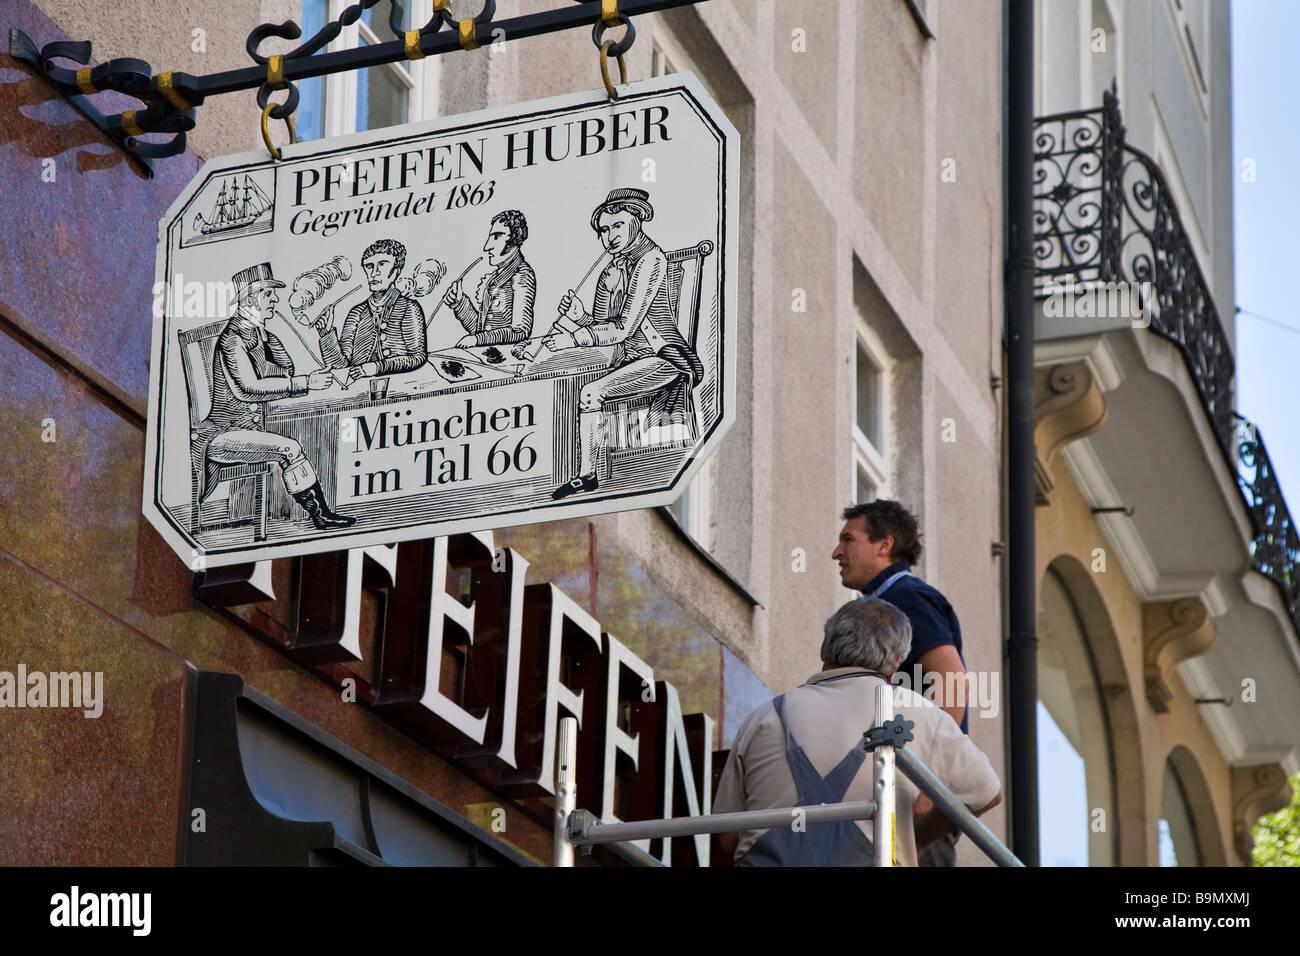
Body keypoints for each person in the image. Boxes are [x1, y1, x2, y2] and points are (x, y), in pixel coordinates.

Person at [713, 598, 1002, 866]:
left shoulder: (764, 717)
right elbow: (987, 792)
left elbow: (727, 837)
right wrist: (921, 837)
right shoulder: (918, 713)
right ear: (896, 664)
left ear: (825, 647)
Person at [831, 499, 969, 865]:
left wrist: (927, 781)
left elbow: (951, 681)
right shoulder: (886, 601)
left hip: (912, 801)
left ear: (884, 545)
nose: (836, 552)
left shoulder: (905, 596)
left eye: (848, 539)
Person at [544, 187, 704, 499]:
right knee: (571, 380)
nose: (610, 236)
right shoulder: (610, 269)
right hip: (629, 359)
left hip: (665, 358)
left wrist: (573, 337)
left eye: (618, 226)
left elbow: (624, 328)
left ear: (637, 221)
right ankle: (588, 469)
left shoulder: (651, 260)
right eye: (604, 229)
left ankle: (587, 475)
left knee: (590, 393)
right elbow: (604, 326)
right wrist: (581, 317)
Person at [190, 262, 356, 531]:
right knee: (289, 448)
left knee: (294, 445)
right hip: (222, 433)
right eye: (268, 293)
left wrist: (269, 338)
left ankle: (322, 513)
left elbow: (286, 369)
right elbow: (248, 388)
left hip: (246, 429)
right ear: (248, 299)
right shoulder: (232, 340)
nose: (275, 298)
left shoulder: (259, 335)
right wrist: (304, 383)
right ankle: (321, 516)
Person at [315, 238, 426, 381]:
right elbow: (341, 367)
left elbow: (418, 357)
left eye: (382, 264)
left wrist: (376, 367)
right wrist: (326, 335)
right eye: (369, 266)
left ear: (395, 271)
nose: (374, 273)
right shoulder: (357, 312)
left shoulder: (409, 307)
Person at [443, 210, 536, 347]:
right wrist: (460, 303)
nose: (487, 247)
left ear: (516, 237)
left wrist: (477, 340)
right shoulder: (494, 278)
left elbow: (520, 331)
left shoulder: (522, 275)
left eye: (497, 236)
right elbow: (481, 330)